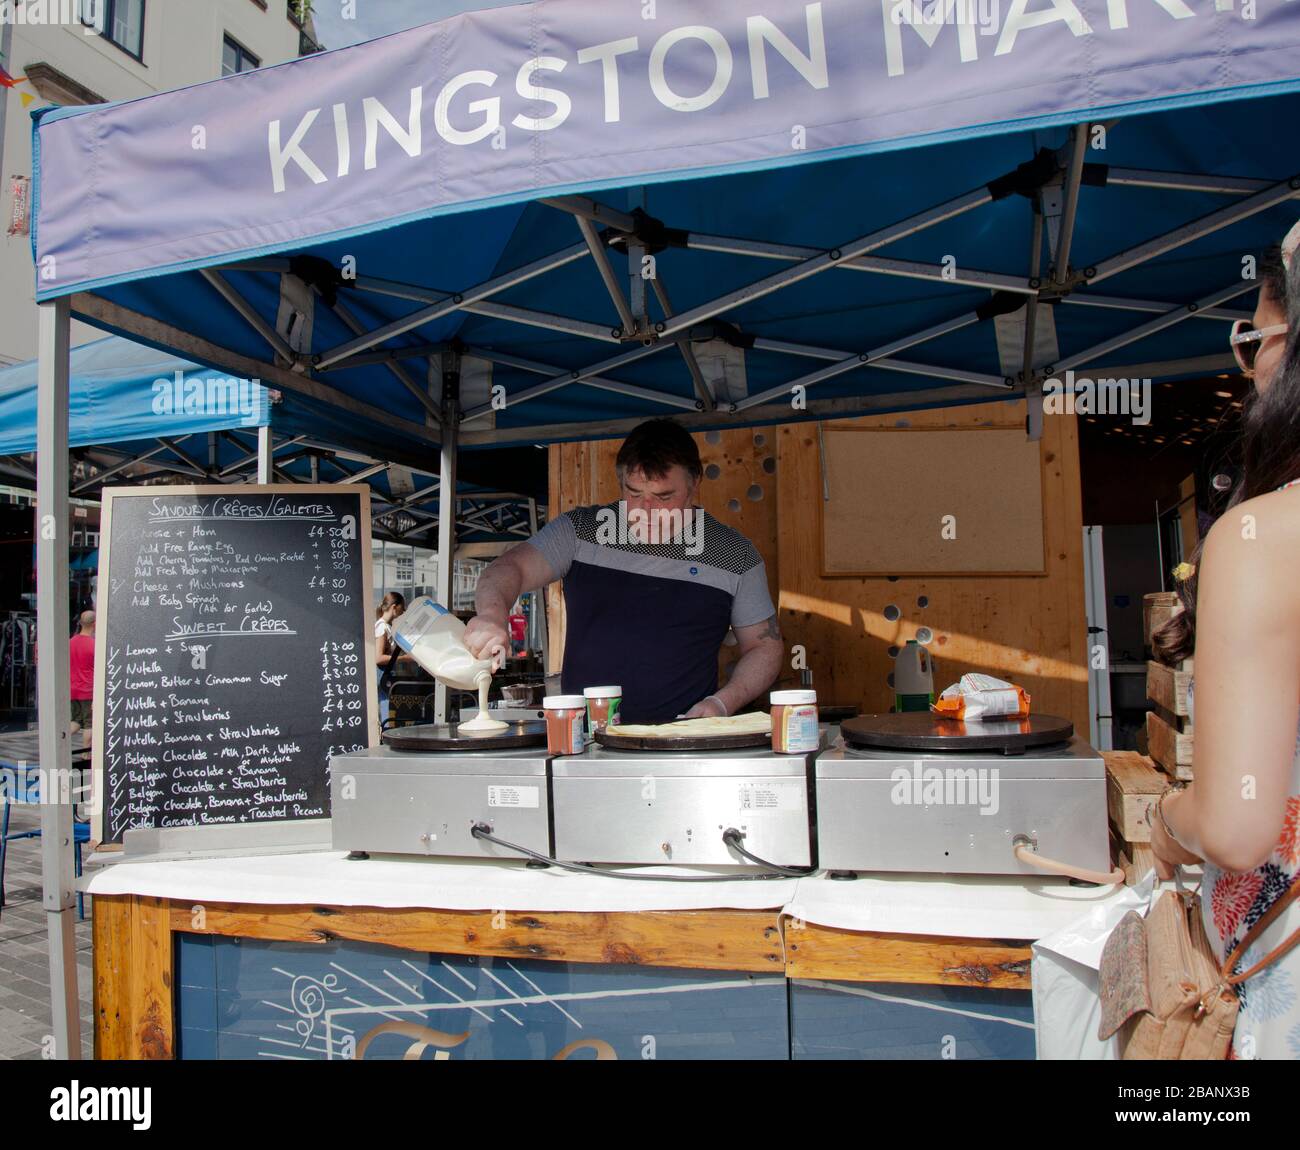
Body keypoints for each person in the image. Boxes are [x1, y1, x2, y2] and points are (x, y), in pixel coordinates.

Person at [1149, 230, 1300, 1059]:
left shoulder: (1263, 536)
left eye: (1256, 339)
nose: (1248, 369)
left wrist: (1167, 821)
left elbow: (1238, 829)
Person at [464, 418, 783, 724]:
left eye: (663, 496)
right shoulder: (580, 532)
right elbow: (509, 567)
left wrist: (722, 703)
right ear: (620, 484)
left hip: (684, 739)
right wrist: (492, 615)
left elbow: (764, 647)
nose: (646, 510)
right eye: (634, 494)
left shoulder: (735, 555)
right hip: (586, 739)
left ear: (694, 483)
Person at [374, 592, 406, 726]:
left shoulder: (386, 626)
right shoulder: (382, 627)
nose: (403, 611)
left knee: (386, 708)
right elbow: (378, 658)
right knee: (385, 708)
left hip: (384, 674)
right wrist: (404, 658)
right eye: (402, 608)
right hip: (382, 674)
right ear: (394, 607)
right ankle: (385, 732)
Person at [69, 611, 95, 739]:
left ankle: (58, 741)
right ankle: (86, 750)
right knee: (90, 724)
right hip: (88, 690)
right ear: (94, 624)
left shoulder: (71, 642)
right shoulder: (94, 645)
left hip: (73, 689)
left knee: (76, 721)